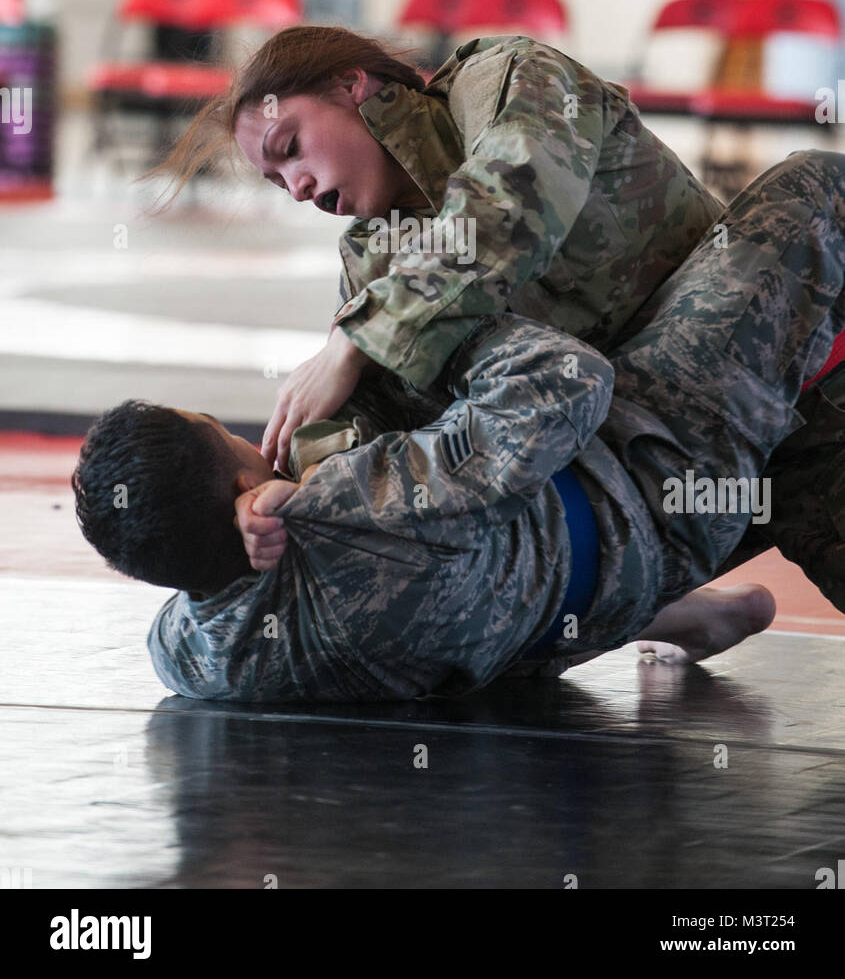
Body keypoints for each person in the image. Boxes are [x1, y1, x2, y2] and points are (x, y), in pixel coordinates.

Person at [74, 149, 845, 702]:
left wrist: (234, 525)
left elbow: (185, 586)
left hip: (557, 619)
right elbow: (568, 380)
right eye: (225, 433)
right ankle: (684, 582)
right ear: (244, 480)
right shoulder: (355, 507)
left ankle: (681, 615)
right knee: (807, 190)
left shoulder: (202, 659)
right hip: (654, 492)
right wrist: (386, 330)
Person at [151, 26, 724, 470]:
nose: (298, 188)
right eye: (278, 182)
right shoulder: (374, 258)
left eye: (291, 146)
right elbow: (377, 419)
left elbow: (506, 210)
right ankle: (684, 612)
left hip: (738, 346)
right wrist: (282, 486)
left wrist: (355, 342)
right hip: (645, 444)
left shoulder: (508, 79)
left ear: (351, 87)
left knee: (806, 190)